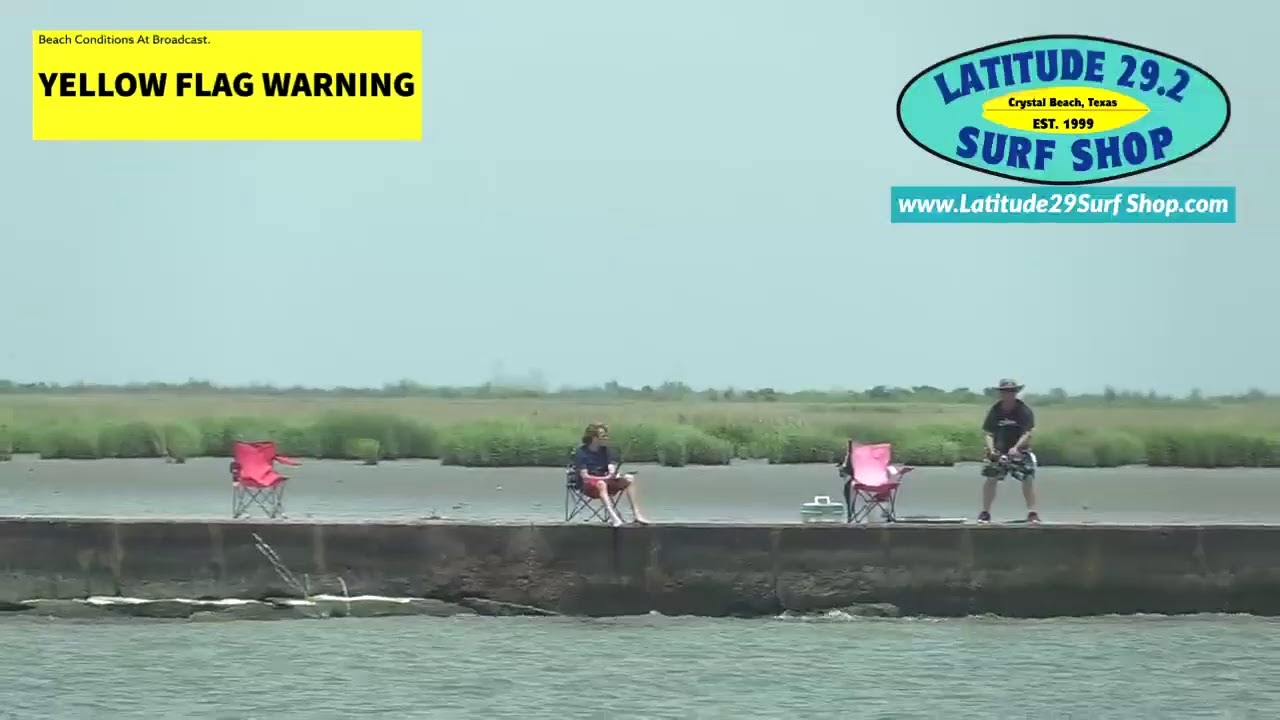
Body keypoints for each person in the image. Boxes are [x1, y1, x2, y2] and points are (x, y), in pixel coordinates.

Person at [978, 379, 1038, 524]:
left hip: (1019, 451)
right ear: (1000, 393)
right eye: (1005, 391)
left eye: (1011, 391)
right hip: (999, 450)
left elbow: (1027, 433)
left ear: (1015, 393)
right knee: (991, 478)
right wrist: (991, 449)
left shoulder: (1023, 410)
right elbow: (988, 433)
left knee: (1027, 478)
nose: (1008, 394)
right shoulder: (995, 410)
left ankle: (1032, 513)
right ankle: (985, 513)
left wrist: (1016, 448)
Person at [573, 422, 651, 527]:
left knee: (629, 479)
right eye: (603, 436)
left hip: (606, 481)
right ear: (594, 438)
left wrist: (612, 473)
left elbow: (611, 466)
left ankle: (637, 515)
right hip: (589, 485)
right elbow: (585, 476)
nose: (606, 438)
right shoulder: (581, 452)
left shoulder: (605, 451)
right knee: (601, 484)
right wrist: (604, 478)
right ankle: (613, 517)